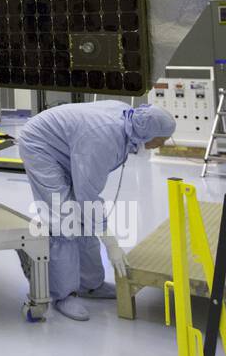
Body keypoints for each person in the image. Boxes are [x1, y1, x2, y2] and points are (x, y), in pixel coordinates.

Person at [18, 101, 176, 321]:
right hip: (40, 145)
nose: (163, 143)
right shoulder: (103, 138)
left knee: (83, 218)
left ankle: (90, 284)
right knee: (64, 218)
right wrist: (111, 244)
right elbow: (88, 197)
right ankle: (63, 294)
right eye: (162, 138)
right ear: (148, 132)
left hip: (68, 145)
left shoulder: (129, 123)